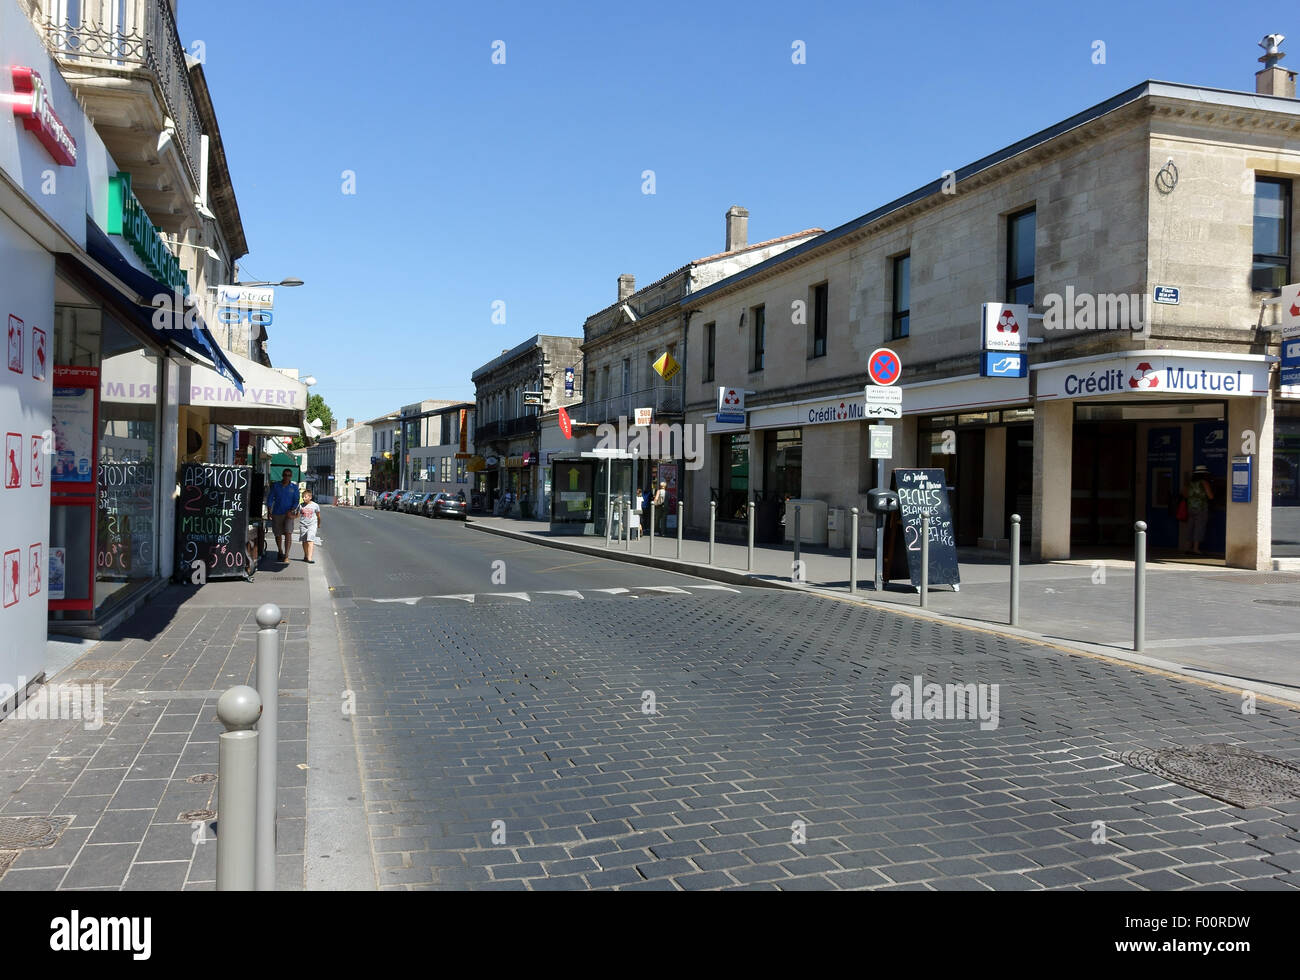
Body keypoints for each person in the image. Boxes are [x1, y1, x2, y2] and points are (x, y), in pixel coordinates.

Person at [266, 468, 300, 562]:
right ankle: (280, 550)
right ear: (282, 475)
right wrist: (269, 511)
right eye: (285, 475)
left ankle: (286, 555)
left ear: (291, 476)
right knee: (278, 534)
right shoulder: (276, 486)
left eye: (289, 475)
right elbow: (270, 499)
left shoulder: (294, 487)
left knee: (288, 533)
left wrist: (292, 510)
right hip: (277, 513)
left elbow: (296, 501)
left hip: (289, 514)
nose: (287, 477)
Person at [1186, 465, 1214, 555]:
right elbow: (1210, 496)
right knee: (1199, 527)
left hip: (1190, 507)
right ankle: (1196, 548)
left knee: (1191, 527)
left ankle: (1188, 547)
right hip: (1201, 507)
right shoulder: (1204, 482)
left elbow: (1184, 493)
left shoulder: (1191, 483)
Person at [297, 488, 322, 563]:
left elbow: (318, 516)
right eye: (303, 497)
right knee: (304, 541)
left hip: (312, 525)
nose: (304, 498)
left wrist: (319, 524)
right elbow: (297, 515)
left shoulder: (315, 505)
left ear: (310, 497)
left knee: (310, 540)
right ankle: (306, 555)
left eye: (305, 497)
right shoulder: (301, 506)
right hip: (303, 525)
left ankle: (309, 558)